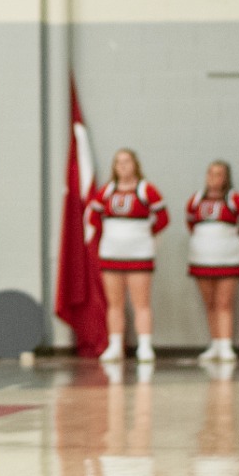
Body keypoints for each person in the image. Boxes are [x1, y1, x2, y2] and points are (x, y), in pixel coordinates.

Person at [87, 149, 167, 365]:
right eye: (118, 162)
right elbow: (94, 218)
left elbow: (162, 219)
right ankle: (115, 345)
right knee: (115, 304)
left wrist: (139, 236)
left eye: (126, 161)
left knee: (141, 302)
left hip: (139, 254)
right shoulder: (106, 191)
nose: (122, 166)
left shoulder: (147, 190)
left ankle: (144, 345)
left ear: (135, 164)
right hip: (112, 254)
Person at [185, 160, 239, 364]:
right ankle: (214, 344)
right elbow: (190, 222)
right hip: (202, 259)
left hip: (228, 259)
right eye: (210, 173)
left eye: (219, 174)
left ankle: (225, 344)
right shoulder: (196, 200)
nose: (214, 178)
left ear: (226, 177)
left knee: (224, 302)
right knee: (210, 303)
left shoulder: (235, 200)